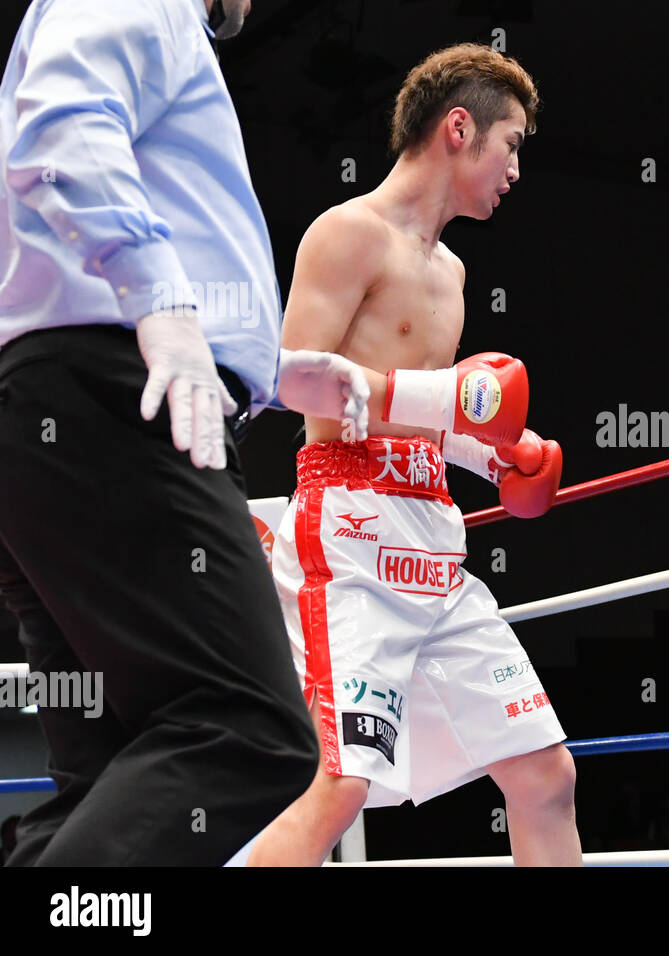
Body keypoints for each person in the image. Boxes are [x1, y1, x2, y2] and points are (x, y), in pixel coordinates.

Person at [0, 0, 370, 864]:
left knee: (111, 775)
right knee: (247, 729)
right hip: (112, 404)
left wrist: (264, 371)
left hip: (61, 419)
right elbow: (60, 130)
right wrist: (160, 306)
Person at [244, 43, 580, 866]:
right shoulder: (348, 232)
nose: (515, 168)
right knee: (341, 784)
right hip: (350, 537)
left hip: (434, 539)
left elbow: (424, 421)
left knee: (544, 775)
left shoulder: (454, 271)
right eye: (511, 143)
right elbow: (286, 381)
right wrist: (447, 401)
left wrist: (491, 457)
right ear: (458, 128)